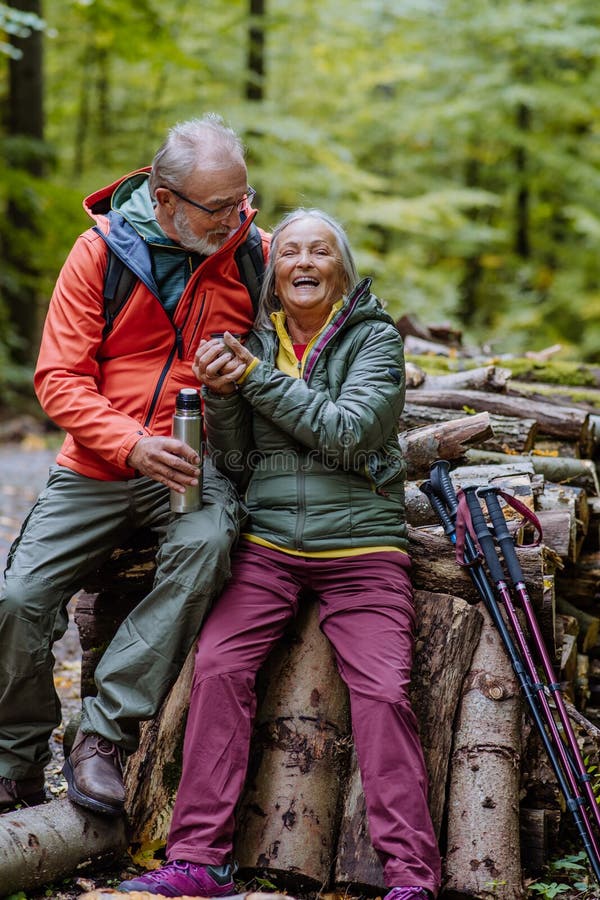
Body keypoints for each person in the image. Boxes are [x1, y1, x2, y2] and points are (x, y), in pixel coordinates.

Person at [118, 209, 441, 900]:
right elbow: (235, 461)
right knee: (218, 664)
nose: (303, 262)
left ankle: (413, 878)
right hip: (269, 546)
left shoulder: (375, 339)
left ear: (341, 269)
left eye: (319, 251)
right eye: (289, 251)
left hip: (363, 549)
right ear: (272, 274)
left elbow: (351, 436)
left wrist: (256, 381)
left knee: (384, 691)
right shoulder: (255, 341)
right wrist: (224, 393)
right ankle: (199, 861)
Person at [0, 114, 270, 819]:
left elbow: (301, 342)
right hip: (98, 463)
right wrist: (129, 444)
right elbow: (58, 378)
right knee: (18, 599)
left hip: (193, 463)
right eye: (217, 207)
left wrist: (250, 371)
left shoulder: (255, 255)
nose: (233, 219)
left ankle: (103, 734)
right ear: (163, 197)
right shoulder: (99, 254)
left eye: (242, 201)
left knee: (209, 542)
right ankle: (16, 762)